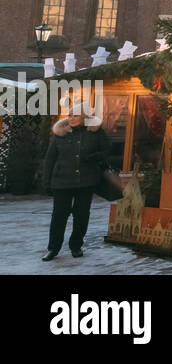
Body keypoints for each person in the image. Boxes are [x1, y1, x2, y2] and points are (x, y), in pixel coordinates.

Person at [42, 102, 109, 260]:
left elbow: (106, 151)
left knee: (81, 215)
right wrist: (46, 182)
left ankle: (76, 246)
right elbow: (50, 159)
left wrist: (93, 157)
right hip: (62, 182)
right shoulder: (61, 133)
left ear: (85, 117)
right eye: (70, 115)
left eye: (76, 115)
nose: (71, 118)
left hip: (86, 182)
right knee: (59, 216)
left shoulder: (96, 132)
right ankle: (53, 248)